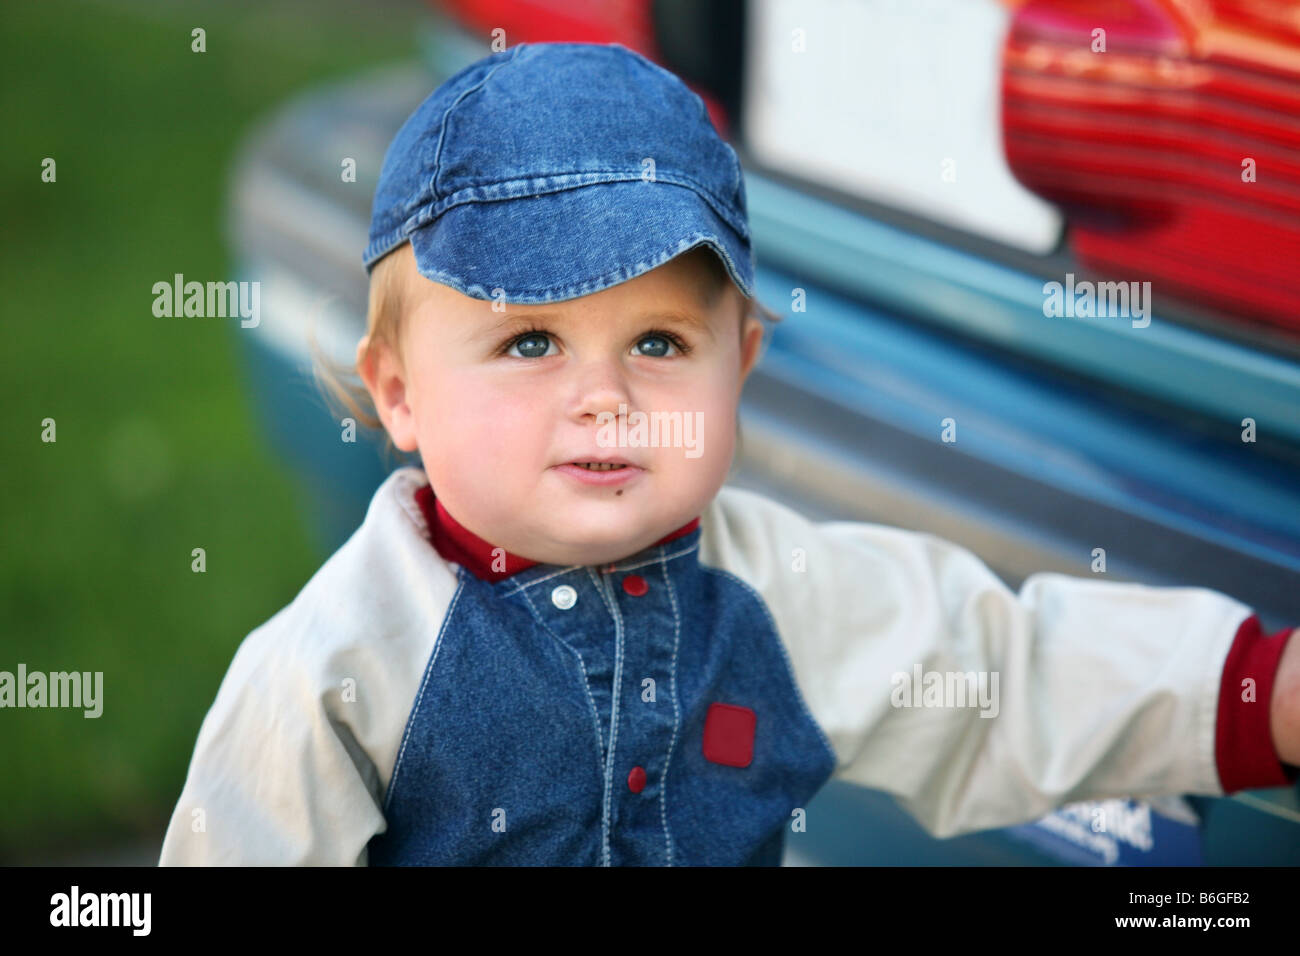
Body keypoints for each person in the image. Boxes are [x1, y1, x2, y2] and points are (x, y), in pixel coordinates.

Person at [159, 41, 1299, 866]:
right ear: (401, 389)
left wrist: (1258, 692)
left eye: (658, 340)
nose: (603, 398)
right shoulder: (336, 671)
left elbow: (1003, 675)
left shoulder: (777, 598)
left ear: (740, 363)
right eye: (528, 339)